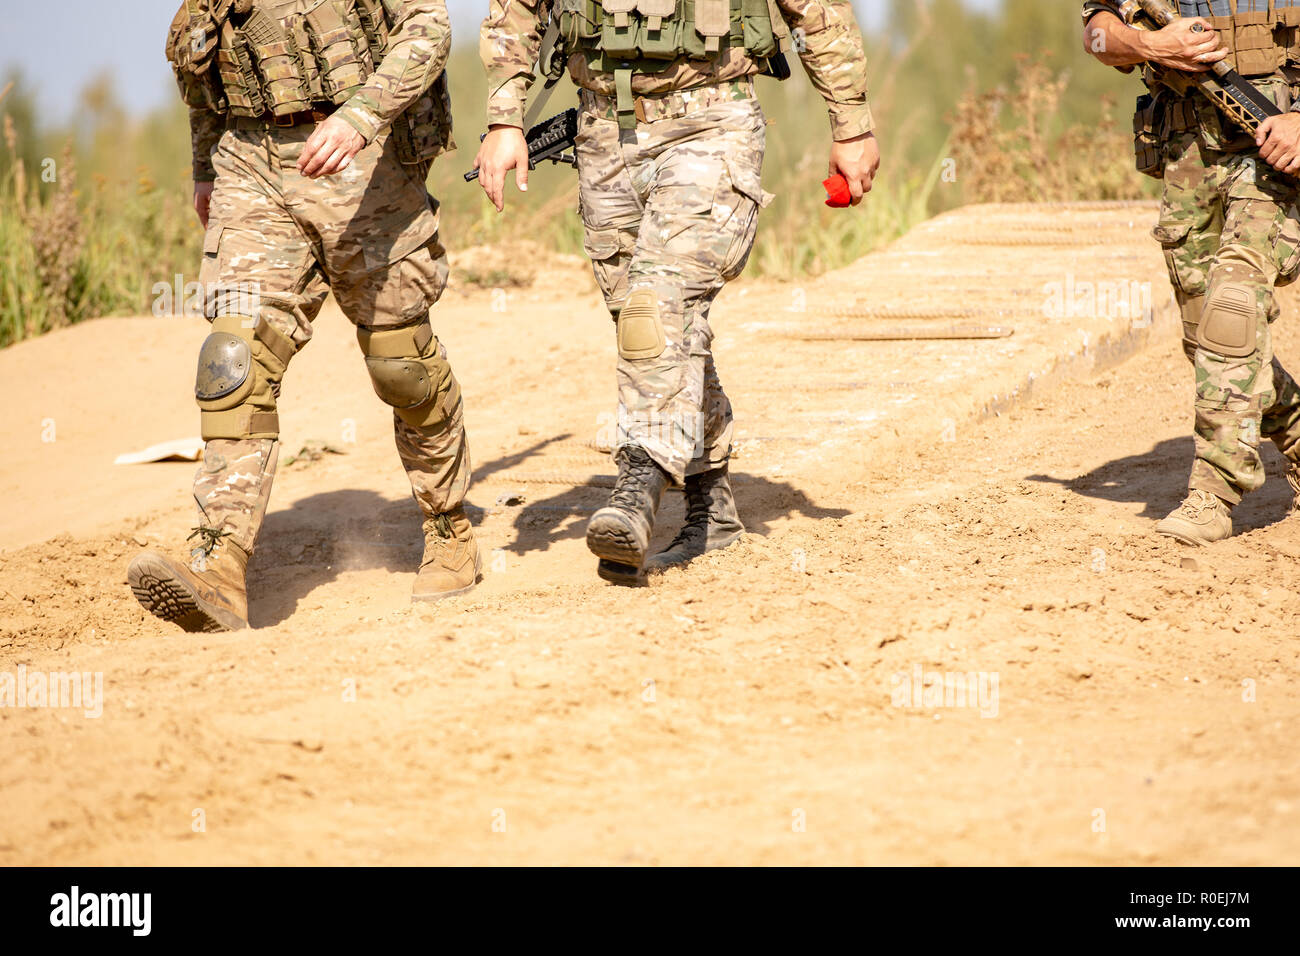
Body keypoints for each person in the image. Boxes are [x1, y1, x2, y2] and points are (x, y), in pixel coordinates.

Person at [475, 0, 879, 583]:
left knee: (656, 305)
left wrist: (852, 122)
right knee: (656, 329)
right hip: (602, 128)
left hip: (713, 122)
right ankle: (710, 506)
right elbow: (516, 9)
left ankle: (639, 480)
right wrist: (504, 119)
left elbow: (816, 8)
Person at [128, 0, 480, 633]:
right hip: (250, 163)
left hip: (361, 156)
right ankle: (219, 564)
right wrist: (205, 165)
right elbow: (202, 55)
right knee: (233, 359)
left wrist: (361, 117)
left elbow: (429, 26)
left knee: (401, 363)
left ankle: (448, 527)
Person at [1083, 0, 1300, 544]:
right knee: (1207, 336)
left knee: (1233, 307)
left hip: (1275, 146)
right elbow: (1097, 35)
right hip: (1186, 155)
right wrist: (1152, 45)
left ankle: (1215, 489)